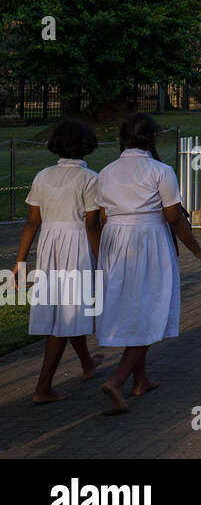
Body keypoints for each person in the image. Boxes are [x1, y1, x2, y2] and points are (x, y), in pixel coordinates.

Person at [96, 114, 201, 413]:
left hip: (115, 241)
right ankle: (118, 379)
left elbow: (104, 216)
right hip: (147, 240)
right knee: (150, 310)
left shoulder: (106, 172)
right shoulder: (160, 170)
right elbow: (174, 217)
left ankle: (141, 379)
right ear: (153, 139)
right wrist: (197, 249)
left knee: (136, 308)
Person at [13, 120, 103, 404]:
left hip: (49, 247)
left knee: (65, 309)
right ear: (87, 144)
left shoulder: (42, 175)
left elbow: (31, 222)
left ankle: (87, 363)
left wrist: (19, 260)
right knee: (65, 317)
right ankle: (43, 388)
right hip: (76, 248)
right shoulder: (90, 178)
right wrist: (103, 259)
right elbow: (92, 225)